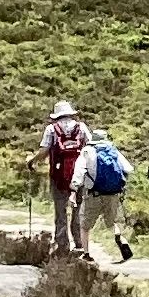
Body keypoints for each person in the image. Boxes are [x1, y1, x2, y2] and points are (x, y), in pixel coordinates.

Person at [26, 99, 93, 257]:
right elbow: (91, 147)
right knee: (79, 209)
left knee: (60, 211)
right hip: (80, 175)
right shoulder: (81, 127)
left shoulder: (51, 129)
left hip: (58, 176)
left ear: (56, 116)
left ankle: (62, 244)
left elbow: (44, 151)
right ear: (70, 114)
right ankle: (79, 243)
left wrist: (32, 161)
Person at [79, 127, 134, 262]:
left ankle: (86, 254)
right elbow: (128, 168)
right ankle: (121, 239)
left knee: (85, 225)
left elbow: (79, 171)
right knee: (111, 222)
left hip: (94, 193)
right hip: (113, 193)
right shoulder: (113, 150)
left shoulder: (87, 151)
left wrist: (74, 188)